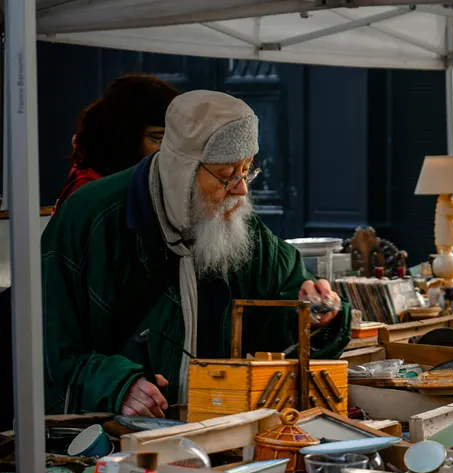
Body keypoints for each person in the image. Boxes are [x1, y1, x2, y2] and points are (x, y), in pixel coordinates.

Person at [41, 90, 351, 417]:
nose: (241, 189)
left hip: (219, 424)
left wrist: (316, 314)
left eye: (246, 171)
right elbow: (48, 350)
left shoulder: (237, 223)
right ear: (182, 170)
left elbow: (288, 290)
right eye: (227, 174)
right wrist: (117, 386)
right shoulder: (91, 218)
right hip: (113, 439)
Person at [52, 75, 179, 214]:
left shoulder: (142, 186)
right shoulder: (93, 198)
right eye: (157, 138)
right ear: (124, 137)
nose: (170, 150)